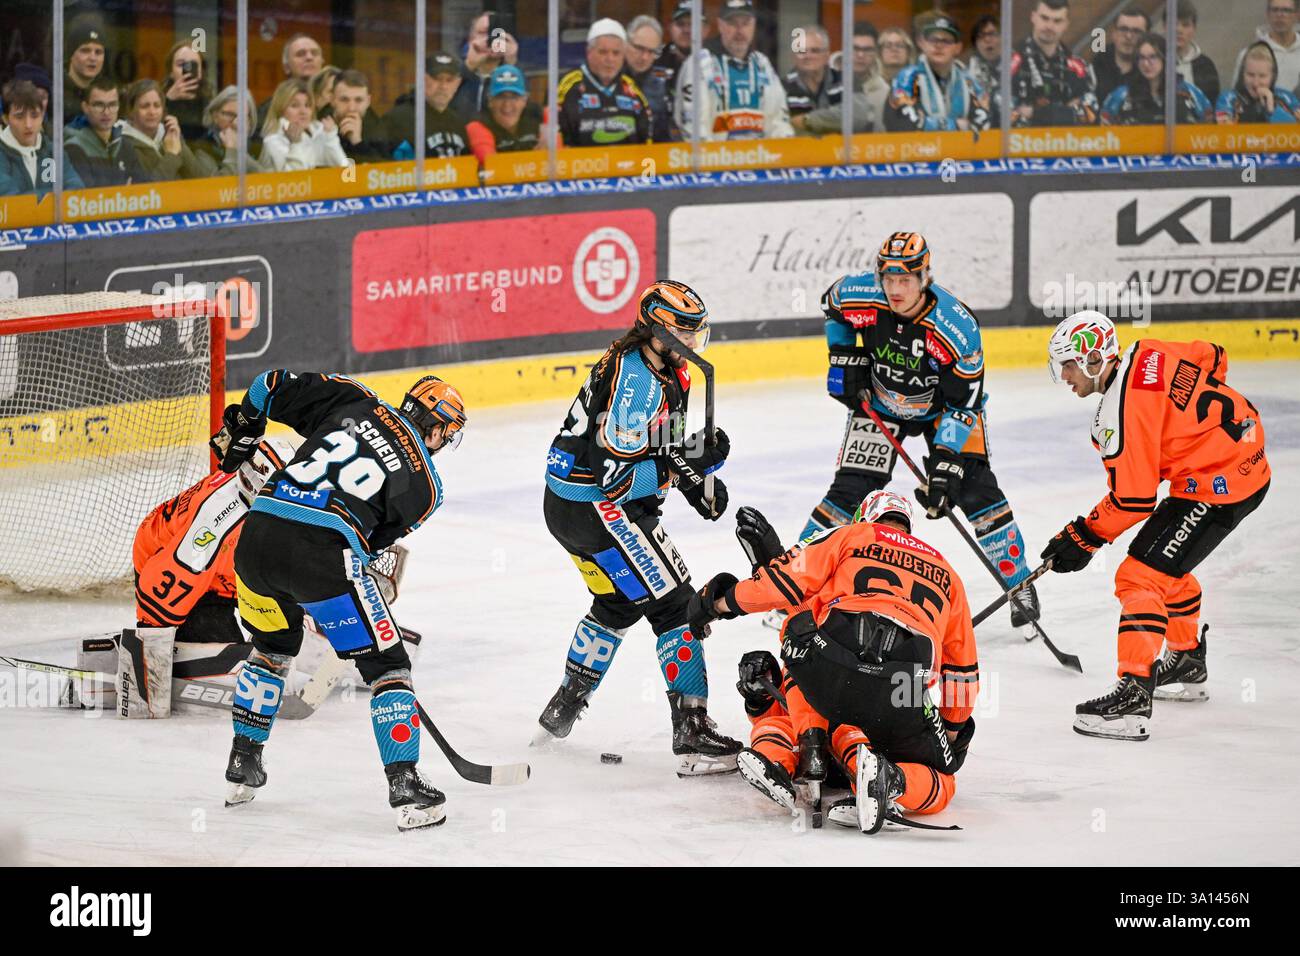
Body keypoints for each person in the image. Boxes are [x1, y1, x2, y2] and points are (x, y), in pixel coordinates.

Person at [211, 369, 467, 830]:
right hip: (323, 556)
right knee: (389, 665)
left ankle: (242, 765)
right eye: (445, 437)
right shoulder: (427, 488)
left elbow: (269, 384)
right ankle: (406, 785)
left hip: (256, 541)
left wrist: (245, 432)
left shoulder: (356, 399)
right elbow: (367, 546)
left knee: (271, 649)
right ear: (436, 429)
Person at [536, 280, 742, 777]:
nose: (694, 343)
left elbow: (653, 445)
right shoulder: (637, 381)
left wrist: (688, 463)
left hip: (567, 506)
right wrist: (687, 473)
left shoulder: (658, 365)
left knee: (618, 601)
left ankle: (563, 707)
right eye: (685, 333)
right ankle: (691, 731)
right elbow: (615, 480)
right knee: (677, 606)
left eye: (698, 333)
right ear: (657, 330)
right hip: (600, 509)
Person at [1041, 312, 1270, 742]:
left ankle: (1133, 697)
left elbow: (1135, 498)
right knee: (1166, 567)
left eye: (1069, 364)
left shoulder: (1118, 414)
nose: (1065, 376)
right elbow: (1213, 356)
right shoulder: (1150, 351)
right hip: (1244, 455)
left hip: (1220, 484)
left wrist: (1083, 536)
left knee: (1139, 576)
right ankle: (1186, 660)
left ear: (1093, 359)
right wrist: (1190, 433)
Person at [691, 493, 978, 833]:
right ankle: (894, 781)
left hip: (831, 676)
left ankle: (808, 745)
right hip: (901, 691)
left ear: (864, 518)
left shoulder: (850, 535)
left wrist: (720, 603)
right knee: (944, 780)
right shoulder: (948, 573)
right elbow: (962, 674)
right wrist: (949, 732)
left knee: (801, 630)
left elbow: (786, 586)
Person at [802, 232, 1041, 630]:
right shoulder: (861, 292)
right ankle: (798, 579)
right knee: (850, 490)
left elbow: (964, 403)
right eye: (889, 279)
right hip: (880, 403)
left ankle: (1021, 584)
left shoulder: (956, 327)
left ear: (924, 277)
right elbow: (832, 304)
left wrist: (946, 462)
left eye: (906, 280)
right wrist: (844, 360)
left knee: (975, 489)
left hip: (943, 410)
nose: (895, 290)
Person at [134, 439, 295, 643]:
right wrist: (151, 646)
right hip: (166, 557)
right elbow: (161, 596)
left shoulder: (255, 492)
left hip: (217, 555)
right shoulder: (214, 523)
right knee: (223, 659)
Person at [675, 0, 793, 141]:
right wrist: (717, 159)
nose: (739, 30)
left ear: (754, 25)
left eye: (745, 23)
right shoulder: (699, 63)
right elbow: (693, 126)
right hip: (716, 159)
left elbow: (779, 121)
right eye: (732, 23)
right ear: (720, 25)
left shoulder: (763, 64)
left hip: (760, 158)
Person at [885, 14, 990, 132]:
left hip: (962, 150)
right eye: (933, 39)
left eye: (946, 40)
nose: (939, 45)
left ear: (958, 48)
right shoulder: (906, 79)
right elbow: (902, 123)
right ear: (921, 43)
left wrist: (927, 122)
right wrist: (955, 125)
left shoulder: (970, 82)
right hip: (918, 149)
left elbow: (984, 124)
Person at [558, 19, 651, 148]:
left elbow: (647, 142)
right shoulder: (567, 85)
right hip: (582, 165)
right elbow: (556, 138)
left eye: (616, 53)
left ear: (623, 55)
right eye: (603, 52)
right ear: (589, 53)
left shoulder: (633, 90)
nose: (610, 59)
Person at [1010, 0, 1099, 126]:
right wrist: (1067, 111)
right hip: (1022, 143)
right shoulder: (1010, 61)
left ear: (1066, 24)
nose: (1049, 26)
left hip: (1067, 143)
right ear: (1033, 17)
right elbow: (1003, 113)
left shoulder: (1078, 66)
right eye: (1044, 18)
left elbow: (1090, 115)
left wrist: (1034, 113)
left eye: (1057, 21)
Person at [796, 22, 888, 135]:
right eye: (855, 48)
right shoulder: (816, 78)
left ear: (876, 52)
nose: (860, 55)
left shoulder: (885, 92)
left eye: (867, 50)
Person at [1102, 33, 1213, 125]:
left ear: (1165, 59)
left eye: (1153, 57)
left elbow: (1208, 130)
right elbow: (1104, 134)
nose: (1146, 63)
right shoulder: (1121, 95)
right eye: (1141, 58)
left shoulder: (1188, 92)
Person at [0, 79, 85, 195]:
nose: (28, 125)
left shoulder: (52, 151)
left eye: (34, 116)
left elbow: (76, 189)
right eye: (19, 117)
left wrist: (38, 198)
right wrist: (54, 195)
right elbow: (14, 201)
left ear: (42, 115)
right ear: (5, 119)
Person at [63, 76, 150, 187]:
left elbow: (143, 191)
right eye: (99, 105)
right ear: (85, 107)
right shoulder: (74, 148)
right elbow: (85, 198)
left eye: (112, 105)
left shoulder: (125, 146)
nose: (106, 112)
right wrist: (123, 192)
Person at [384, 53, 471, 159]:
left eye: (449, 80)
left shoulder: (458, 123)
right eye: (437, 78)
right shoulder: (397, 120)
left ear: (457, 84)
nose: (443, 86)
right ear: (422, 79)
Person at [119, 79, 206, 181]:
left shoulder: (168, 133)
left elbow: (200, 179)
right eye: (145, 106)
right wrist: (172, 155)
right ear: (131, 111)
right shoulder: (122, 145)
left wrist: (178, 143)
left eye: (157, 106)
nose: (152, 112)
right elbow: (149, 191)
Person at [259, 77, 348, 171]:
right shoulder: (273, 141)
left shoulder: (318, 134)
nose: (303, 111)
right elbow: (295, 181)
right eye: (295, 105)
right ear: (280, 110)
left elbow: (347, 172)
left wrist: (331, 139)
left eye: (307, 105)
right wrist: (296, 144)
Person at [452, 10, 524, 122]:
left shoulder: (516, 72)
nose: (490, 38)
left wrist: (512, 65)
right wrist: (468, 67)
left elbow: (525, 114)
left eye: (496, 33)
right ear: (471, 39)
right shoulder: (454, 71)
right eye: (483, 33)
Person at [465, 65, 541, 162]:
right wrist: (538, 157)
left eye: (514, 97)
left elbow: (559, 161)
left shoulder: (538, 118)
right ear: (490, 101)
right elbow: (491, 163)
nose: (507, 104)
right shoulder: (478, 126)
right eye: (500, 97)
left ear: (524, 100)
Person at [624, 15, 679, 142]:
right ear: (626, 43)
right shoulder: (611, 76)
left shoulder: (665, 82)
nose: (644, 57)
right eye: (639, 48)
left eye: (651, 51)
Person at [191, 85, 265, 176]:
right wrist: (232, 151)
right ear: (215, 116)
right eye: (229, 114)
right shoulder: (203, 147)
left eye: (242, 116)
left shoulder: (258, 145)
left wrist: (240, 153)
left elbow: (270, 182)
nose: (235, 123)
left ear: (250, 121)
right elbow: (219, 186)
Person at [257, 33, 325, 132]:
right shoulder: (271, 107)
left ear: (322, 62)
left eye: (314, 53)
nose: (309, 58)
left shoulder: (335, 101)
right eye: (301, 54)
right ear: (286, 67)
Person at [1217, 41, 1300, 122]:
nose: (1256, 83)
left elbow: (1295, 132)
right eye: (1250, 75)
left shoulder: (1287, 98)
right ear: (1242, 74)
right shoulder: (1227, 99)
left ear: (1273, 76)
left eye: (1262, 76)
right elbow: (1224, 132)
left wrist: (1272, 110)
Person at [1232, 0, 1300, 93]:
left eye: (1286, 10)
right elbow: (1237, 95)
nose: (1280, 15)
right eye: (1275, 10)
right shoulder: (1249, 54)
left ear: (1297, 15)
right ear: (1267, 14)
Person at [783, 24, 842, 124]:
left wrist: (806, 121)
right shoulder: (781, 88)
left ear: (827, 55)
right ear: (793, 56)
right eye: (801, 51)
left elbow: (854, 117)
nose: (808, 56)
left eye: (815, 51)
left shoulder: (845, 82)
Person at [1091, 6, 1149, 104]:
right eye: (1123, 29)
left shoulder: (1153, 73)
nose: (1129, 36)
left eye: (1136, 31)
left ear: (1147, 36)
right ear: (1113, 33)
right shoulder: (1095, 68)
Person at [330, 69, 390, 164]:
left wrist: (358, 143)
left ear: (368, 101)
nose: (351, 108)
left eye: (358, 100)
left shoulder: (380, 131)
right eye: (344, 99)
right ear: (332, 100)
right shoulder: (317, 129)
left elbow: (383, 173)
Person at [161, 40, 212, 145]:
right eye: (181, 64)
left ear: (201, 72)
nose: (187, 71)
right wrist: (168, 100)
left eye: (193, 65)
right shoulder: (159, 101)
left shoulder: (209, 105)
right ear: (171, 71)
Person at [1173, 0, 1220, 105]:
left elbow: (1212, 106)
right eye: (1173, 23)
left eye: (1185, 25)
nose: (1179, 30)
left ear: (1194, 29)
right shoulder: (1154, 62)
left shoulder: (1206, 66)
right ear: (1164, 26)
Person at [63, 21, 107, 129]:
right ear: (71, 55)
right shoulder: (55, 94)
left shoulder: (108, 95)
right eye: (85, 51)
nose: (93, 58)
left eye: (98, 52)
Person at [967, 15, 1002, 108]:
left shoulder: (1017, 63)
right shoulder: (967, 71)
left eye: (992, 34)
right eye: (981, 36)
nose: (987, 40)